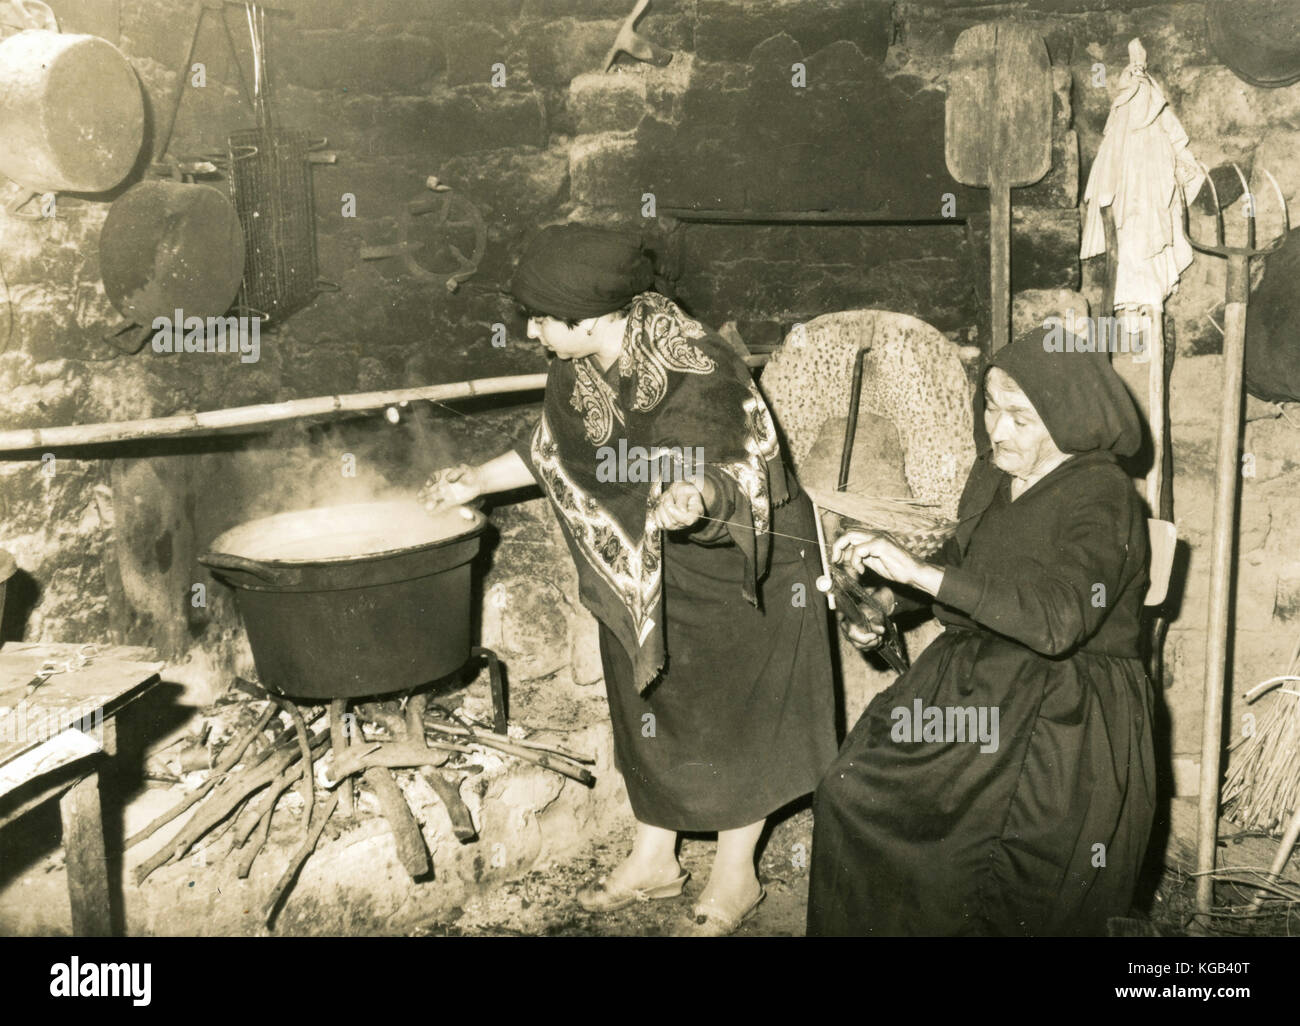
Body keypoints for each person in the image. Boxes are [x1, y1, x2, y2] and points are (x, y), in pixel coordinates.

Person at [421, 224, 837, 936]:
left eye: (543, 319)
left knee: (731, 715)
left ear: (590, 317)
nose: (532, 332)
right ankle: (655, 856)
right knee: (652, 707)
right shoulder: (577, 365)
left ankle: (737, 876)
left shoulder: (697, 365)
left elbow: (741, 464)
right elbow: (556, 450)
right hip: (643, 566)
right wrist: (476, 482)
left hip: (741, 564)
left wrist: (697, 498)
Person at [807, 335, 1157, 936]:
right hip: (975, 683)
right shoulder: (994, 479)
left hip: (1066, 712)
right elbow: (964, 564)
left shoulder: (1101, 495)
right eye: (992, 406)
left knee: (986, 859)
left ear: (1069, 420)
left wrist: (920, 570)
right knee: (851, 793)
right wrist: (887, 602)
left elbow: (1059, 621)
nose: (997, 428)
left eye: (1021, 416)